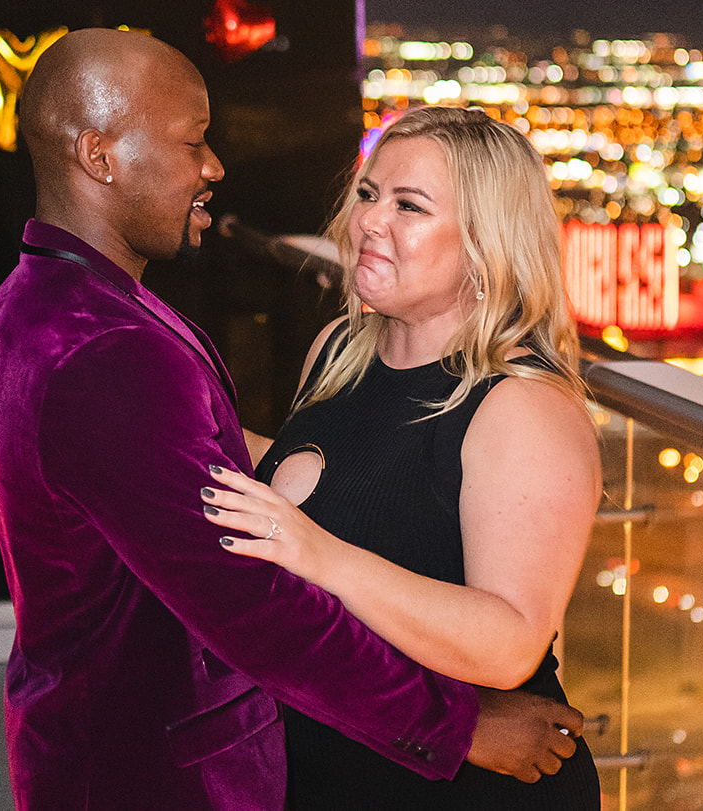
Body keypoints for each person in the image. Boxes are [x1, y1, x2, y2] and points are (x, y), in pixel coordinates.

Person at [0, 30, 584, 811]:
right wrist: (457, 727)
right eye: (194, 141)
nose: (214, 166)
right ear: (100, 156)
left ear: (485, 241)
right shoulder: (115, 346)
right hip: (156, 765)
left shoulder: (61, 304)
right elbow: (248, 601)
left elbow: (212, 466)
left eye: (409, 204)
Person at [202, 105, 604, 808]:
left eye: (409, 206)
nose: (368, 223)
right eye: (367, 193)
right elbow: (342, 479)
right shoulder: (339, 348)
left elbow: (510, 642)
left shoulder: (523, 407)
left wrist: (314, 552)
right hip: (335, 764)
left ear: (486, 244)